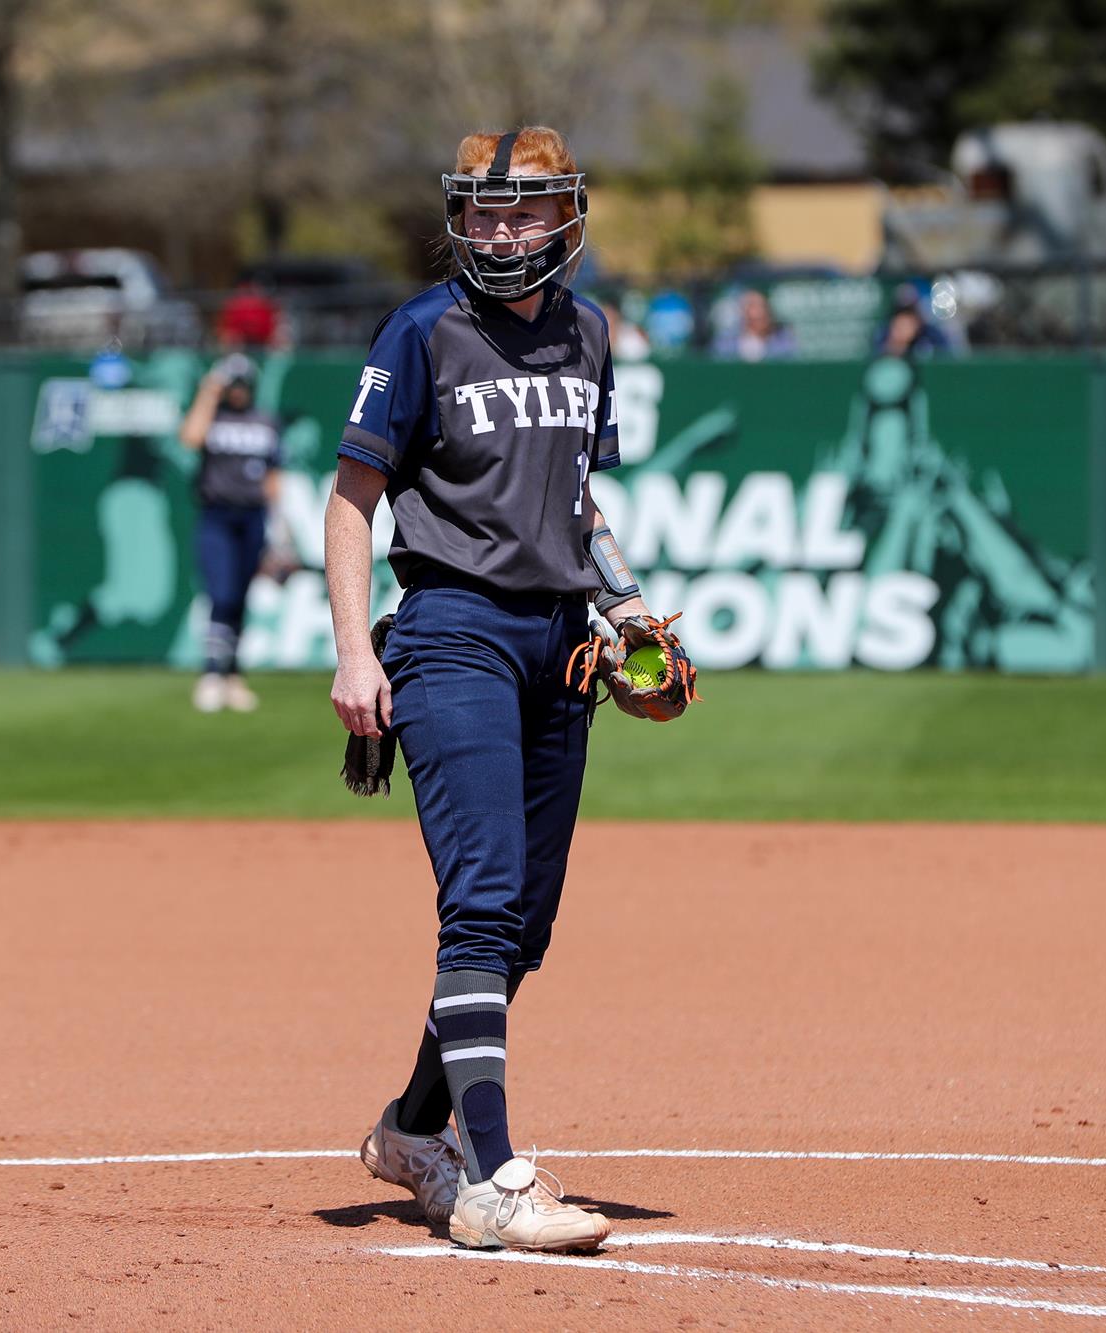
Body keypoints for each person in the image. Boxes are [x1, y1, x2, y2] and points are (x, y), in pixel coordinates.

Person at [326, 126, 689, 1253]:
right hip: (451, 633)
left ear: (566, 217)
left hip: (556, 646)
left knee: (523, 926)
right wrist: (353, 650)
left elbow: (576, 507)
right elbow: (351, 501)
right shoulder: (424, 330)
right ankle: (491, 1179)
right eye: (481, 213)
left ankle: (412, 1130)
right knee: (480, 902)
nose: (498, 230)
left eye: (523, 210)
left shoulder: (588, 334)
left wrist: (627, 608)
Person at [177, 352, 286, 712]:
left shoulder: (266, 421)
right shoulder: (214, 416)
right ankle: (212, 673)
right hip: (217, 515)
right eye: (232, 384)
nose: (238, 391)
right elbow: (190, 437)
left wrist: (279, 530)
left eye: (242, 384)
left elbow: (273, 479)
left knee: (239, 598)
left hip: (252, 517)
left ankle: (232, 675)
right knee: (220, 594)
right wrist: (209, 392)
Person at [712, 287, 796, 361]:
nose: (760, 312)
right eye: (753, 306)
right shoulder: (726, 341)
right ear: (743, 311)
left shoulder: (783, 340)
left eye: (763, 306)